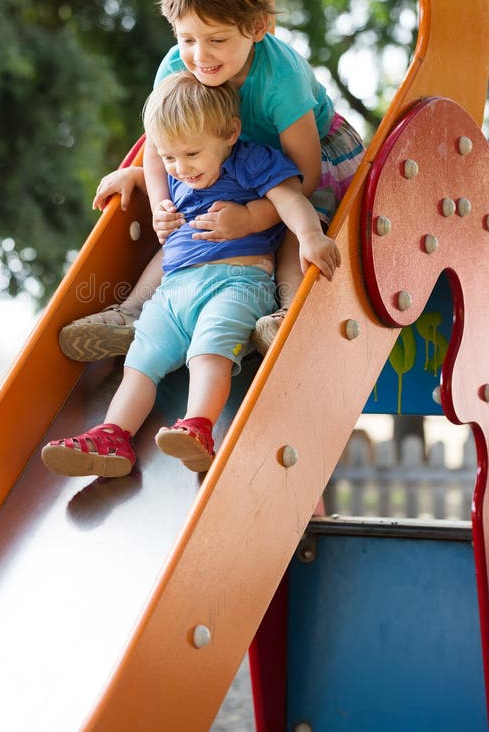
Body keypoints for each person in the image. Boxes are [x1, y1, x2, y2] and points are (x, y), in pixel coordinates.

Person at [58, 0, 363, 363]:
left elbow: (305, 177)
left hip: (303, 158)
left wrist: (252, 218)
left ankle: (288, 314)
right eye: (187, 39)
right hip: (225, 155)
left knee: (297, 226)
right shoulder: (175, 68)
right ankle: (130, 315)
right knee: (186, 225)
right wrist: (159, 200)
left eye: (217, 39)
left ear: (256, 27)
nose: (200, 56)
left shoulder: (281, 78)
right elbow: (158, 141)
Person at [42, 71, 340, 478]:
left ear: (230, 133)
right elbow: (154, 175)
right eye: (168, 158)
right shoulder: (178, 177)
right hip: (173, 290)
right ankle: (113, 435)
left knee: (209, 349)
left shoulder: (251, 160)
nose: (180, 168)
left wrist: (309, 236)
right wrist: (131, 176)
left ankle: (198, 426)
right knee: (140, 361)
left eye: (190, 155)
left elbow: (290, 199)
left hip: (236, 283)